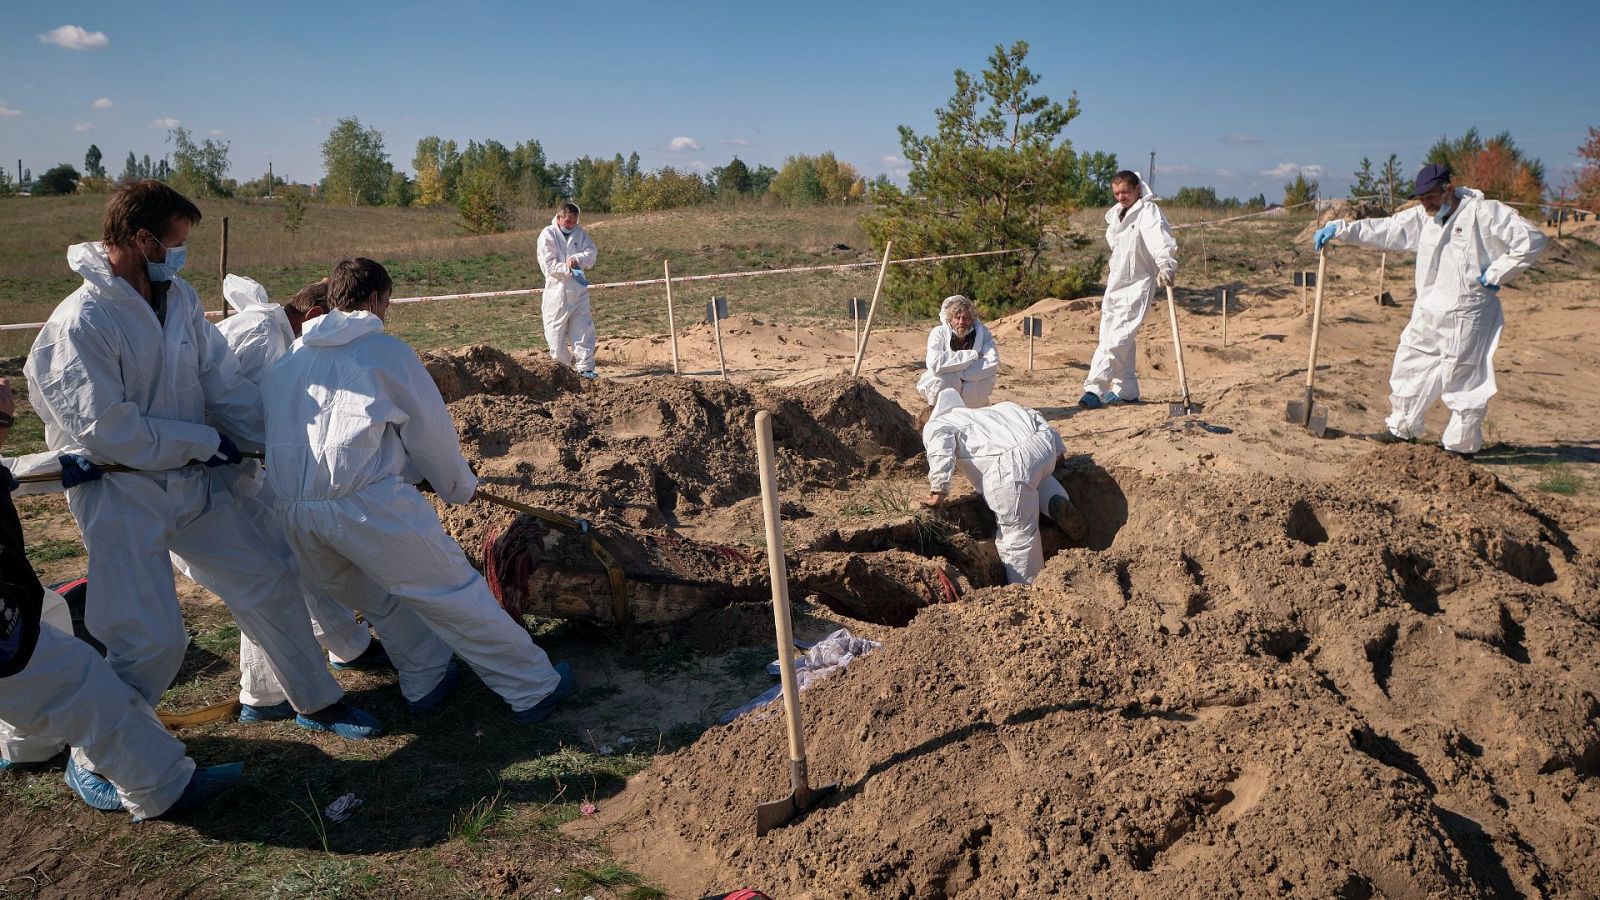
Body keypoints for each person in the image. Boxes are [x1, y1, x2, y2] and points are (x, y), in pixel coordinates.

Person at [23, 181, 381, 744]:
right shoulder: (80, 323)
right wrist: (198, 440)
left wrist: (286, 440)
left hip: (191, 485)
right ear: (142, 239)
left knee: (270, 581)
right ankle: (100, 756)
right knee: (150, 641)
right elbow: (108, 430)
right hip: (122, 494)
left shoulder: (180, 300)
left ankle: (316, 701)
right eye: (176, 242)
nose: (181, 254)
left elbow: (224, 384)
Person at [262, 257, 576, 723]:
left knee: (379, 598)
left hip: (295, 511)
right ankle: (534, 687)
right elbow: (429, 433)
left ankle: (425, 680)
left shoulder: (290, 360)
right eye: (387, 303)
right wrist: (458, 486)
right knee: (454, 592)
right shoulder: (383, 352)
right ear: (375, 299)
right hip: (366, 507)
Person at [207, 277, 458, 717]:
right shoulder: (266, 339)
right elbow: (261, 420)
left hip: (240, 473)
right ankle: (266, 696)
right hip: (212, 478)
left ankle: (348, 646)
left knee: (295, 565)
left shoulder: (275, 335)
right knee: (268, 580)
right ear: (312, 317)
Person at [1, 376, 241, 818]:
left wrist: (50, 465)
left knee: (45, 632)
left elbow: (6, 470)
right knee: (82, 687)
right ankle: (162, 788)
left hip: (12, 590)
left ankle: (26, 747)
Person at [1313, 164, 1547, 457]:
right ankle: (1402, 429)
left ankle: (1460, 447)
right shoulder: (1424, 218)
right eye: (1421, 198)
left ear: (1449, 188)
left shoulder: (1484, 213)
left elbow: (1531, 239)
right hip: (1428, 312)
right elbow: (1387, 229)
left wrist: (1497, 273)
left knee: (1463, 379)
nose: (1425, 203)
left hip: (1467, 313)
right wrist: (1342, 230)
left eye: (1430, 196)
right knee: (1410, 366)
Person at [920, 389, 1087, 585]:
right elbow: (1034, 416)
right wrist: (1057, 450)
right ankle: (1055, 499)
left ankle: (1028, 589)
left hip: (1009, 467)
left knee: (1018, 535)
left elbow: (940, 450)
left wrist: (938, 490)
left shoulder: (936, 424)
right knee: (1034, 479)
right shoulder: (991, 411)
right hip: (1041, 442)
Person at [1080, 171, 1177, 410]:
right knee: (1110, 336)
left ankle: (1095, 388)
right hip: (1115, 283)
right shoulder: (1115, 215)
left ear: (1137, 189)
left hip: (1138, 284)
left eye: (1125, 192)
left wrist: (1165, 265)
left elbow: (1160, 239)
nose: (1121, 197)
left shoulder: (1148, 211)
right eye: (1116, 193)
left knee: (1118, 337)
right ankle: (1126, 390)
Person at [536, 202, 600, 379]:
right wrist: (568, 267)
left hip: (578, 291)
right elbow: (548, 265)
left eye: (574, 221)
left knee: (583, 330)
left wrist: (578, 259)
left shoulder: (580, 233)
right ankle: (562, 370)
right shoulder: (548, 234)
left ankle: (586, 368)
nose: (571, 225)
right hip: (557, 292)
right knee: (555, 333)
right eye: (568, 221)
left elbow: (591, 253)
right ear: (559, 217)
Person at [915, 295, 1000, 408]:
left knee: (979, 383)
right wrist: (973, 355)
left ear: (971, 320)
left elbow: (992, 363)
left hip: (973, 392)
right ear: (950, 319)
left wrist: (955, 370)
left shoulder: (982, 334)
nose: (961, 322)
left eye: (965, 318)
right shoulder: (938, 333)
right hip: (947, 385)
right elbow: (934, 364)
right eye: (957, 317)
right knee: (946, 379)